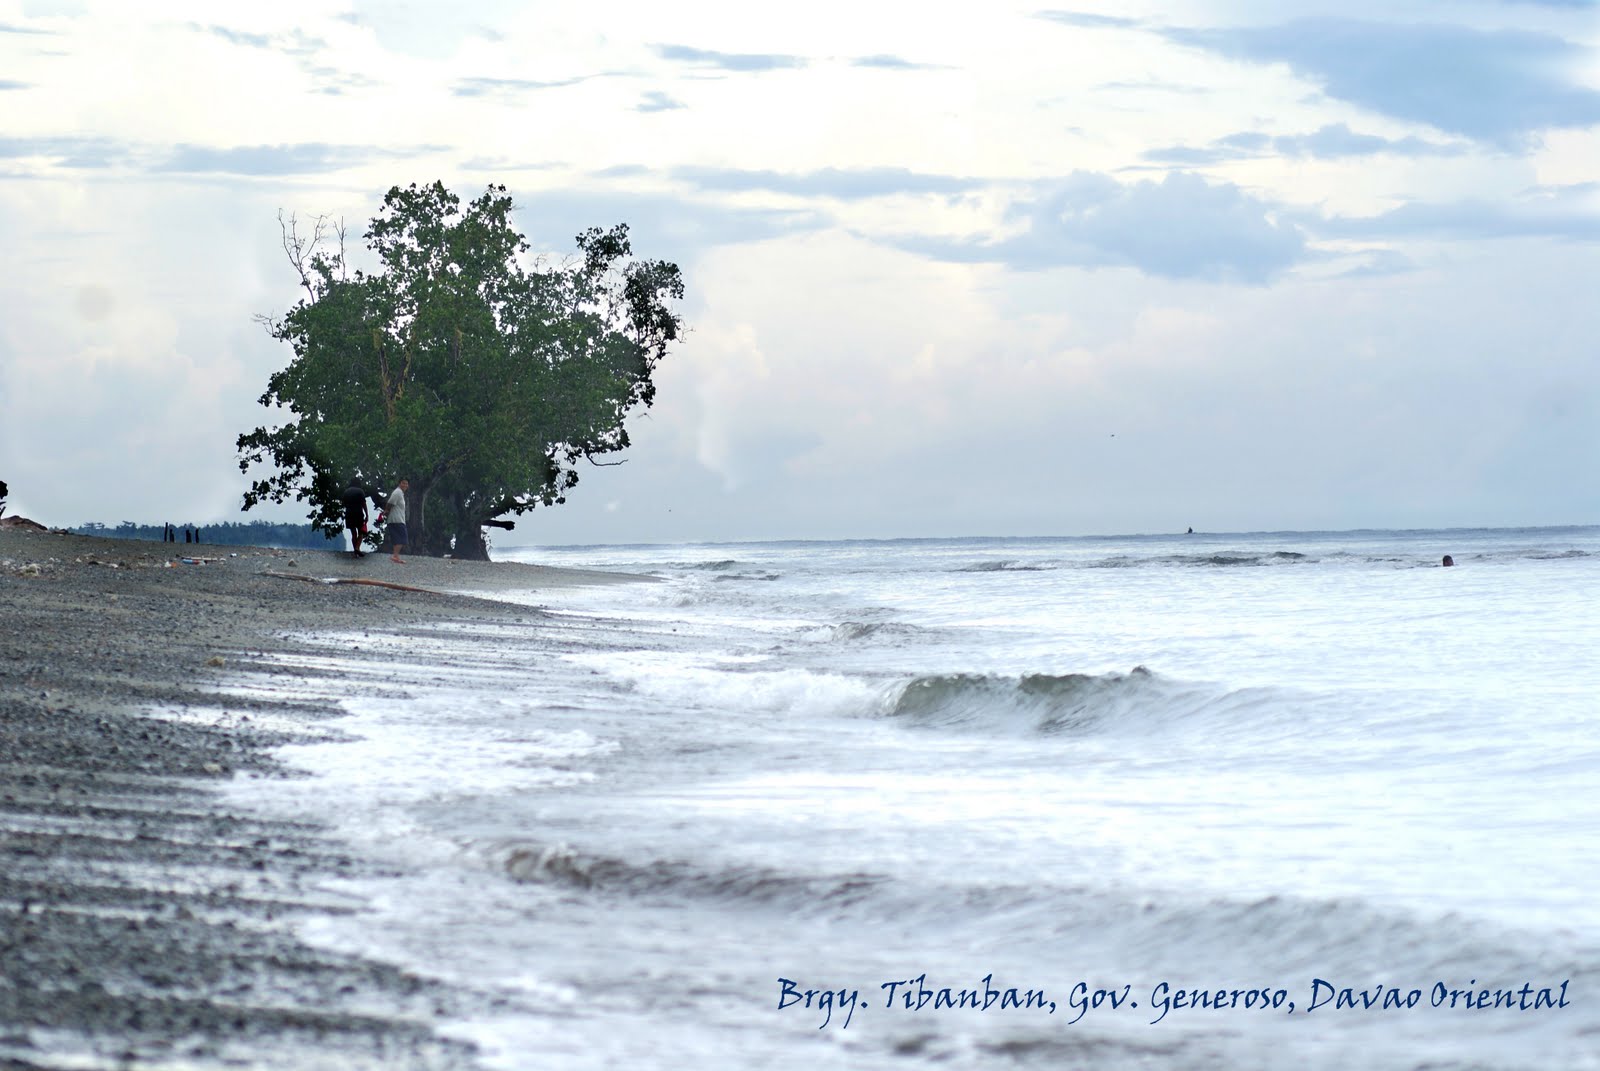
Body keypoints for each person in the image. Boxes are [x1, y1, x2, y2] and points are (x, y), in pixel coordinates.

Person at [340, 478, 369, 557]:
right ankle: (357, 547)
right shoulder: (360, 491)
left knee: (353, 533)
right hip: (358, 513)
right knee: (361, 532)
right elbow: (364, 504)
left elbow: (344, 503)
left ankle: (355, 551)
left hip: (349, 513)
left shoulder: (346, 492)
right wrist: (367, 514)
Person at [386, 478, 410, 563]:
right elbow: (390, 503)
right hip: (396, 519)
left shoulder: (400, 493)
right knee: (402, 538)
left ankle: (396, 556)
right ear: (399, 483)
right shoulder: (398, 492)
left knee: (398, 538)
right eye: (403, 483)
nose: (405, 485)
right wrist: (386, 511)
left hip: (398, 519)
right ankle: (395, 556)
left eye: (406, 484)